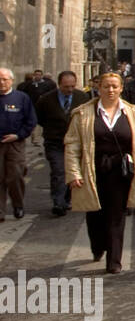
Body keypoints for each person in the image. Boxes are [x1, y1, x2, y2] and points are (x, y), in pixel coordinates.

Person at [64, 72, 135, 274]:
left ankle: (114, 260)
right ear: (99, 87)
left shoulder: (132, 113)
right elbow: (72, 145)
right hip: (93, 169)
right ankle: (98, 246)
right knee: (95, 214)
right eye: (106, 86)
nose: (111, 90)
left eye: (115, 86)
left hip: (122, 171)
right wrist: (74, 173)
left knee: (117, 214)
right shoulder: (83, 113)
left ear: (121, 88)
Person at [35, 71, 92, 216]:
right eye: (66, 87)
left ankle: (67, 199)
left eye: (72, 86)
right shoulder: (46, 100)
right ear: (59, 84)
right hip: (55, 141)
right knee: (59, 170)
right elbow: (40, 118)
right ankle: (58, 202)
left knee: (72, 171)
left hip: (75, 143)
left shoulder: (82, 98)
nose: (70, 90)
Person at [0, 68, 37, 220]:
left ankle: (18, 205)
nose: (1, 83)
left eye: (4, 79)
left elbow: (31, 121)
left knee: (15, 176)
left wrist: (18, 135)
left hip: (15, 144)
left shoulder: (21, 98)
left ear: (12, 81)